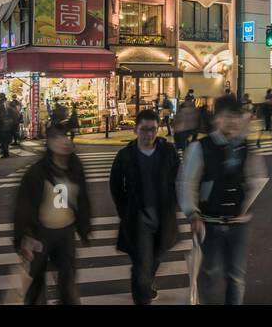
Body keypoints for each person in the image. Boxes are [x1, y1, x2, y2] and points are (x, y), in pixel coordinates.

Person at [177, 94, 267, 305]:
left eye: (236, 117)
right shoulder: (200, 147)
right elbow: (187, 181)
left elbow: (257, 176)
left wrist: (244, 201)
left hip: (238, 223)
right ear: (216, 119)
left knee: (236, 276)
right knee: (208, 272)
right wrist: (192, 212)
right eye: (227, 116)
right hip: (208, 221)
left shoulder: (245, 147)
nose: (232, 121)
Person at [13, 123, 91, 305]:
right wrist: (24, 236)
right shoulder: (36, 173)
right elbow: (24, 208)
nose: (63, 141)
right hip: (41, 233)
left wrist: (84, 226)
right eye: (56, 137)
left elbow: (83, 199)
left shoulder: (75, 168)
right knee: (36, 282)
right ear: (48, 142)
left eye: (65, 136)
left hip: (66, 232)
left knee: (68, 281)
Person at [109, 110, 180, 304]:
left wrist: (173, 203)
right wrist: (125, 211)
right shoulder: (125, 155)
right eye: (144, 130)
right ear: (135, 130)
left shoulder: (168, 152)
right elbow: (116, 185)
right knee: (141, 263)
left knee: (155, 257)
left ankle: (146, 284)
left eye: (153, 130)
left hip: (163, 216)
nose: (149, 134)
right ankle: (142, 294)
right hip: (138, 218)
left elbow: (177, 179)